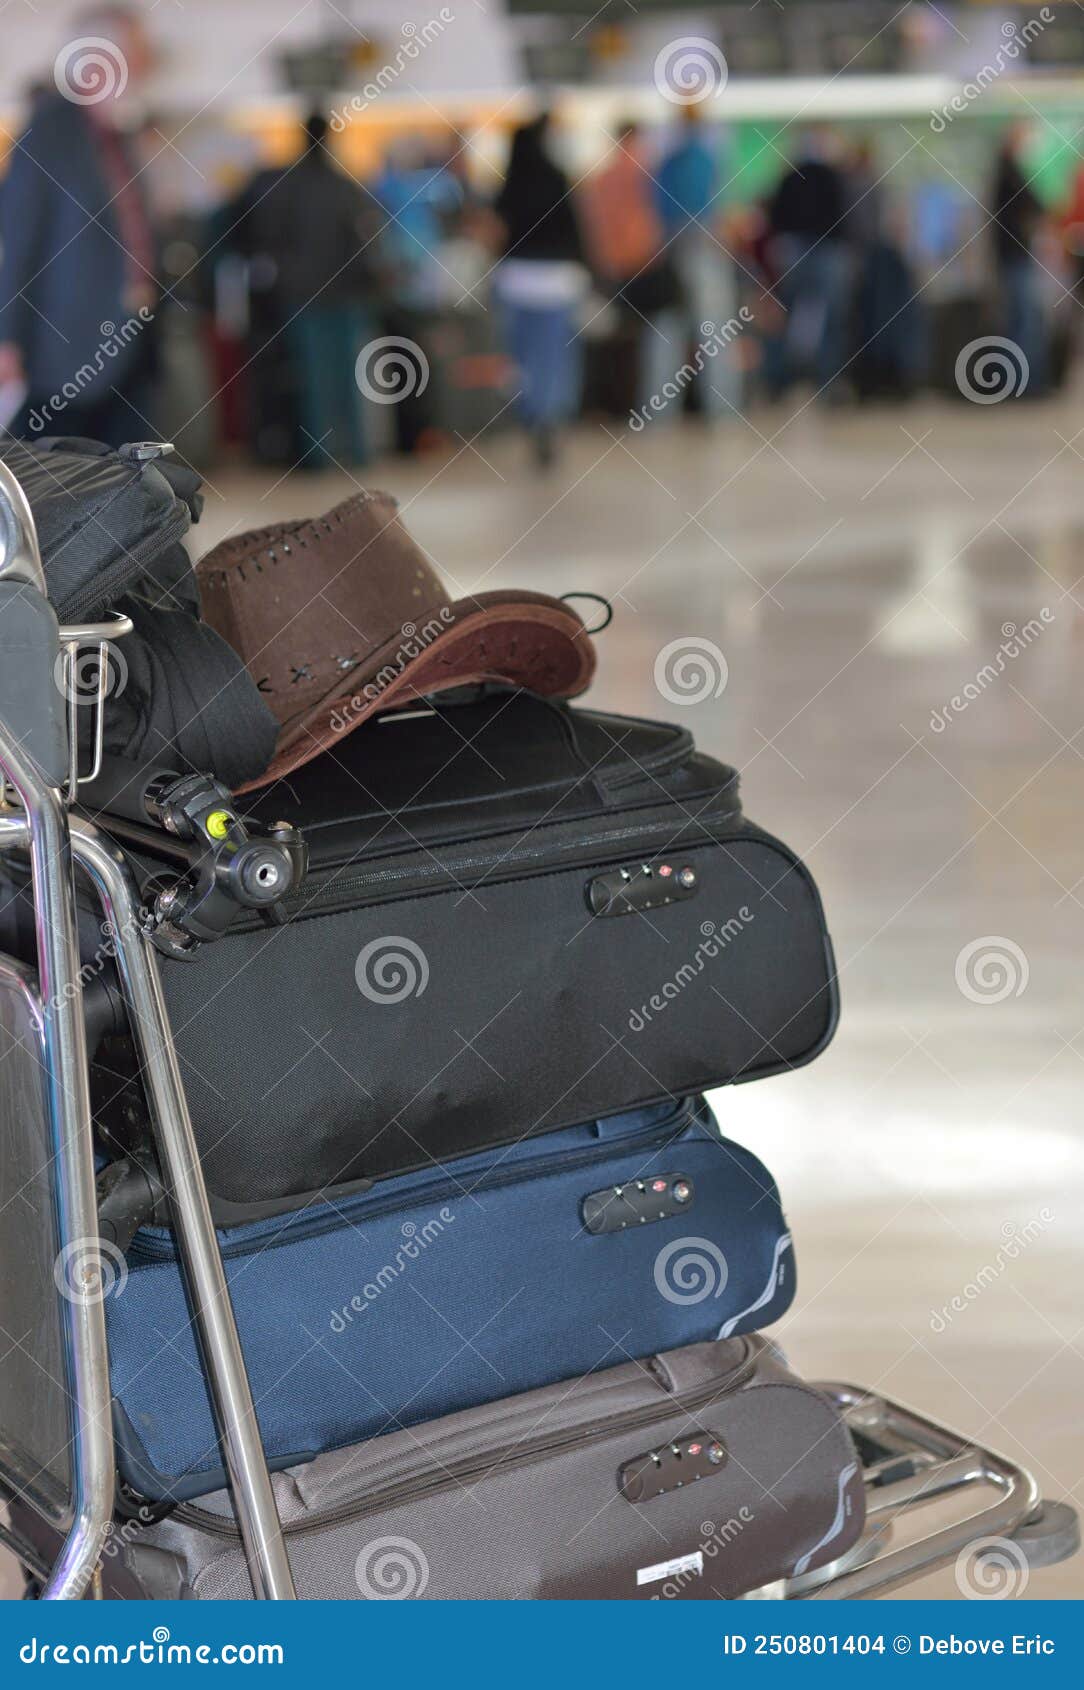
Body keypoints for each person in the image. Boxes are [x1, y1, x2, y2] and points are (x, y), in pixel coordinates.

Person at [0, 5, 161, 446]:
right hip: (65, 348)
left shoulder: (118, 137)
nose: (145, 66)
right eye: (135, 55)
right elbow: (18, 242)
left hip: (130, 338)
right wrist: (6, 339)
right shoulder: (49, 130)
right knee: (62, 484)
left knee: (125, 484)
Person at [228, 111, 378, 468]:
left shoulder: (286, 187)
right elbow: (364, 244)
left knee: (313, 377)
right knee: (349, 377)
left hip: (301, 294)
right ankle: (356, 452)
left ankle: (319, 455)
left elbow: (264, 237)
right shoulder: (344, 187)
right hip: (343, 294)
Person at [494, 112, 589, 468]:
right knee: (555, 358)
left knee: (524, 356)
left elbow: (498, 231)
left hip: (517, 280)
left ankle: (531, 413)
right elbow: (575, 229)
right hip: (556, 282)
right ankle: (550, 415)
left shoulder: (510, 183)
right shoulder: (556, 177)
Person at [584, 121, 681, 422]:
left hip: (613, 272)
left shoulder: (600, 180)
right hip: (647, 266)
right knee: (662, 339)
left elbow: (594, 230)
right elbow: (656, 224)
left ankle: (617, 406)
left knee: (620, 344)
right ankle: (657, 411)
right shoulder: (647, 175)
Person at [654, 106, 739, 419]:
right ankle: (723, 407)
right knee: (715, 334)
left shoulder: (667, 164)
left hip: (672, 252)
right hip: (705, 249)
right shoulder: (707, 161)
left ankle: (659, 410)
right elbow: (721, 209)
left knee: (667, 335)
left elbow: (659, 211)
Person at [767, 128, 849, 398]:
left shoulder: (791, 176)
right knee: (829, 316)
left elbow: (775, 215)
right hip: (820, 250)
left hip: (800, 250)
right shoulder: (830, 176)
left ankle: (781, 381)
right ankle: (823, 381)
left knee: (787, 314)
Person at [991, 122, 1048, 396]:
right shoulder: (1010, 172)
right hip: (1015, 258)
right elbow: (1036, 204)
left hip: (1010, 257)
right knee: (1023, 322)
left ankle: (1016, 382)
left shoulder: (1004, 172)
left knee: (1017, 321)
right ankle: (1024, 384)